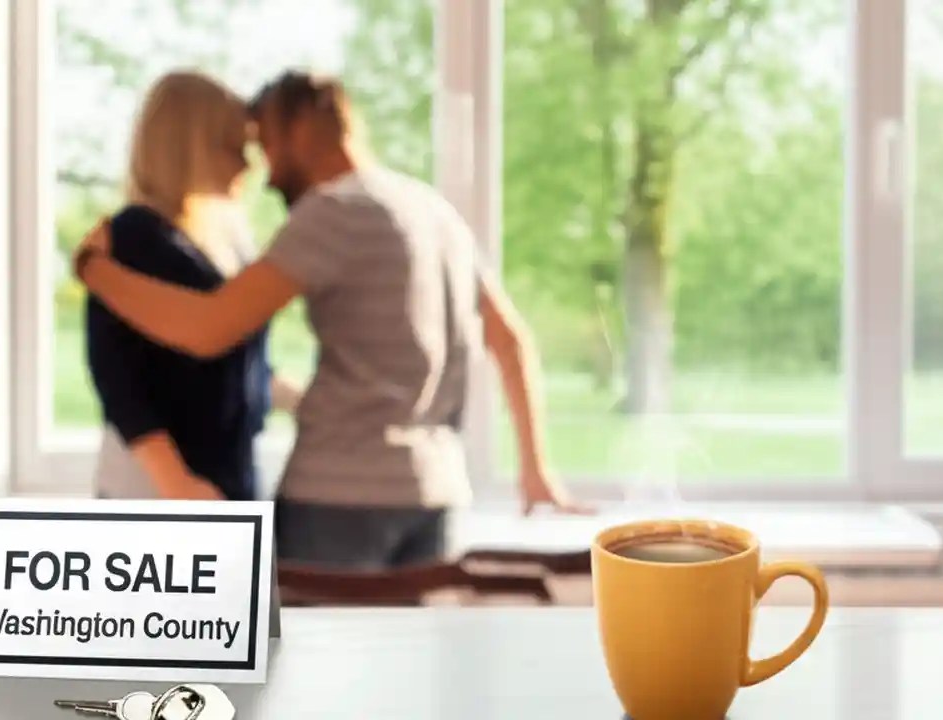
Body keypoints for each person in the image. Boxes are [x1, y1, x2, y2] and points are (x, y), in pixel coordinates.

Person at [75, 70, 584, 567]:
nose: (264, 172)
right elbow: (509, 339)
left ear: (298, 130)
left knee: (301, 652)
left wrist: (92, 269)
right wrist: (534, 468)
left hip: (339, 495)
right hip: (437, 494)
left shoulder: (330, 212)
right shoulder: (432, 208)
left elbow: (210, 330)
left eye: (265, 144)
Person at [88, 70, 298, 502]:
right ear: (189, 150)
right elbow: (118, 375)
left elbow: (238, 362)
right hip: (161, 487)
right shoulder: (132, 238)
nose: (248, 164)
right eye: (232, 148)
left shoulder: (228, 242)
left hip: (226, 474)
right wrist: (175, 482)